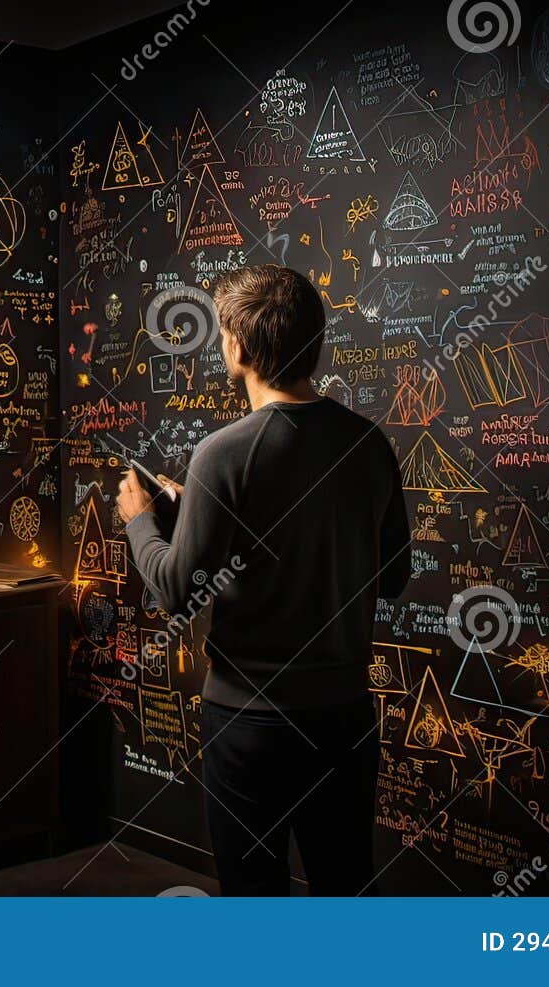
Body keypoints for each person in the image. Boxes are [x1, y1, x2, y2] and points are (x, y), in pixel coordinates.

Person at [117, 265, 411, 896]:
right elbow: (393, 579)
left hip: (252, 726)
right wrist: (193, 512)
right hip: (344, 718)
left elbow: (174, 591)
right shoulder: (370, 444)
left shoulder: (222, 453)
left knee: (255, 897)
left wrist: (143, 523)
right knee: (346, 891)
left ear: (239, 347)